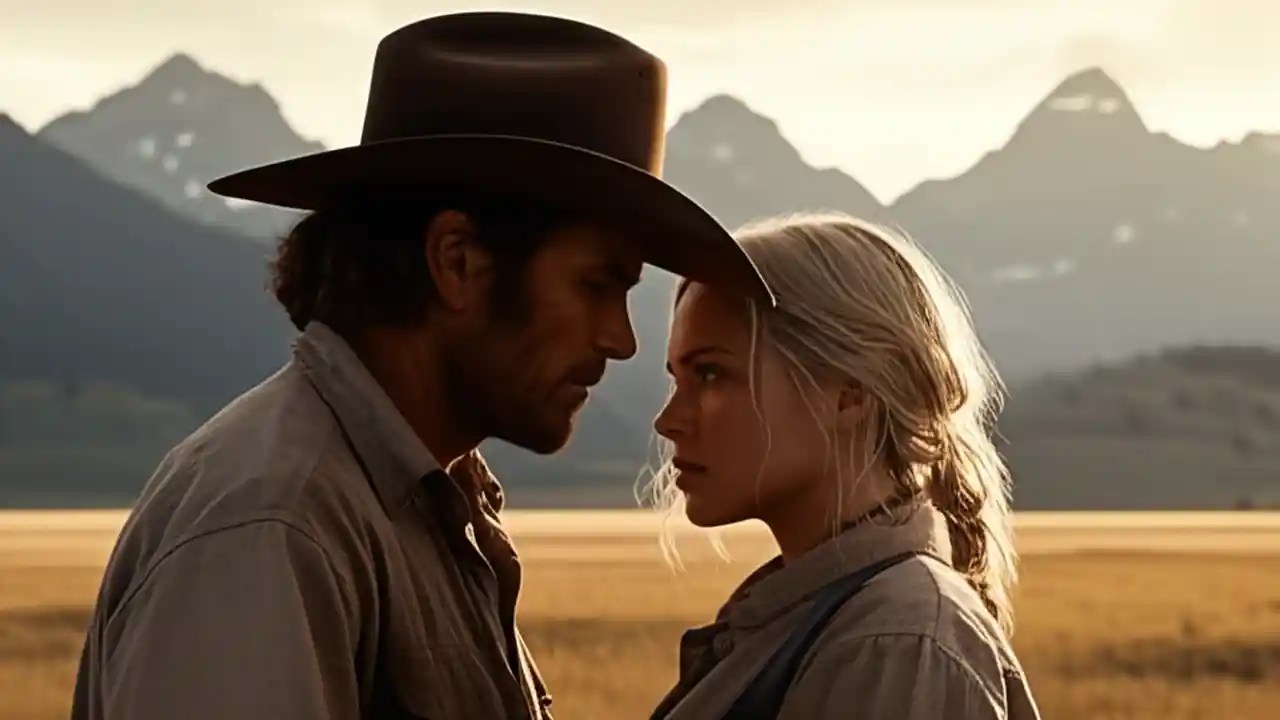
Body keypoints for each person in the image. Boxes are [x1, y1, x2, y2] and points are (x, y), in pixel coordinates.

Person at [69, 12, 772, 720]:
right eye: (597, 286)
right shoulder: (273, 526)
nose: (622, 340)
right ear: (458, 262)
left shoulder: (409, 505)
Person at [647, 212, 1041, 719]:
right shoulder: (842, 623)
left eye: (710, 374)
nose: (668, 420)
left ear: (849, 395)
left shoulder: (893, 646)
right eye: (676, 379)